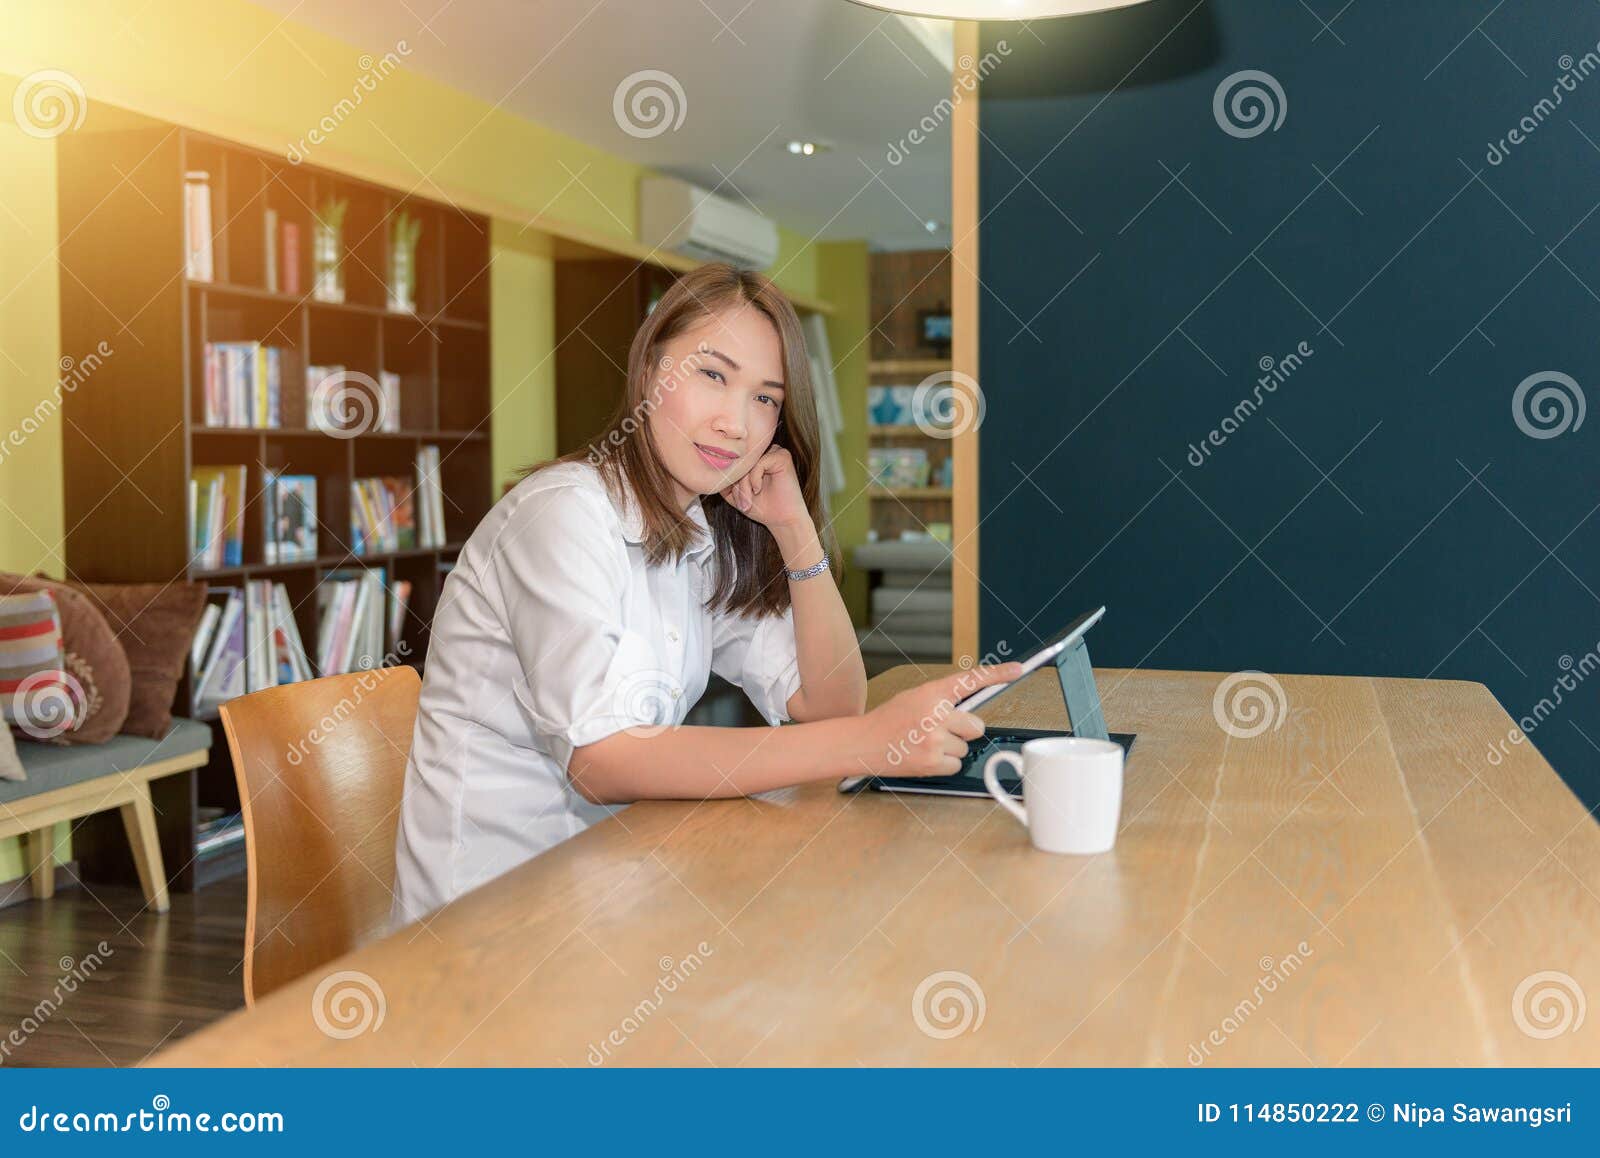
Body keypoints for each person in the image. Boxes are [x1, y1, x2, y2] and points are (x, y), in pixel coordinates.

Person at [390, 262, 1020, 926]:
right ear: (647, 370)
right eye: (712, 375)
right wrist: (868, 744)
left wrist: (796, 531)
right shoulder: (563, 515)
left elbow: (831, 702)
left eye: (765, 399)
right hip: (486, 925)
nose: (736, 423)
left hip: (615, 888)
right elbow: (600, 760)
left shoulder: (697, 533)